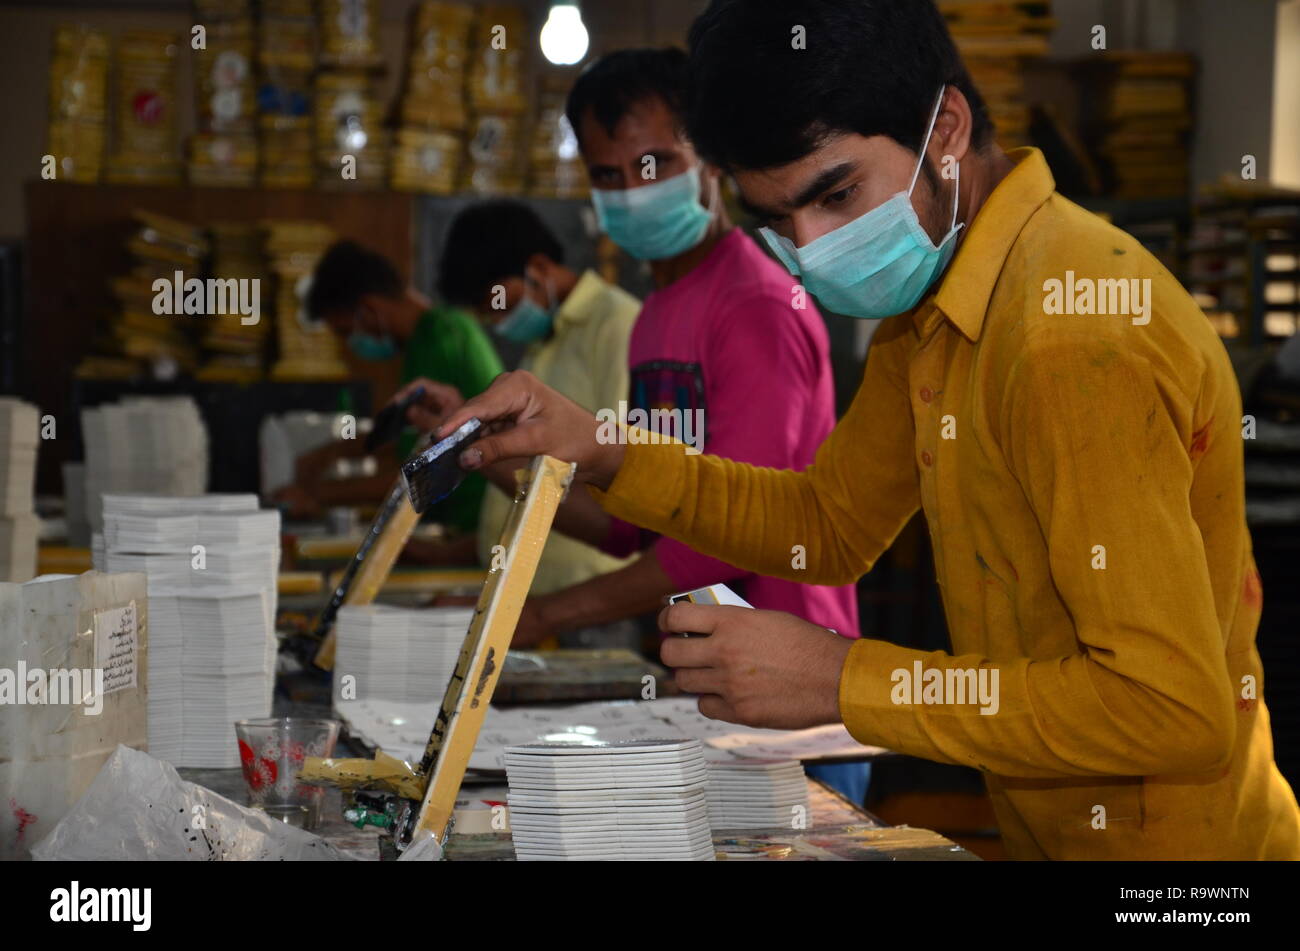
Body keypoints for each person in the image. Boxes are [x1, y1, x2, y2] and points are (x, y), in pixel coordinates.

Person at [423, 0, 1300, 860]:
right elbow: (825, 527)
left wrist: (846, 678)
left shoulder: (1067, 331)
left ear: (947, 126)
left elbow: (1170, 709)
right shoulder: (934, 308)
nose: (812, 248)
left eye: (838, 193)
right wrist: (602, 447)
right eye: (776, 222)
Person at [402, 47, 866, 802]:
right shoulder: (656, 315)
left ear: (710, 158)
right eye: (607, 175)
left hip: (795, 696)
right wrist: (488, 455)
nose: (630, 192)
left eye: (653, 164)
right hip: (707, 687)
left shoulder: (752, 305)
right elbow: (635, 519)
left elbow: (728, 532)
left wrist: (544, 611)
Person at [406, 200, 639, 599]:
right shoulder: (544, 341)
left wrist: (474, 447)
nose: (497, 319)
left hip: (586, 597)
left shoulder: (619, 326)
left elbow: (621, 489)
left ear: (539, 268)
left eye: (498, 301)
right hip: (527, 596)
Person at [274, 240, 502, 535]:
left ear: (369, 310)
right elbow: (405, 441)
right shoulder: (423, 342)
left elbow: (422, 469)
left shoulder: (442, 339)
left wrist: (318, 494)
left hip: (474, 524)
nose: (349, 346)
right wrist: (333, 453)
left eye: (346, 332)